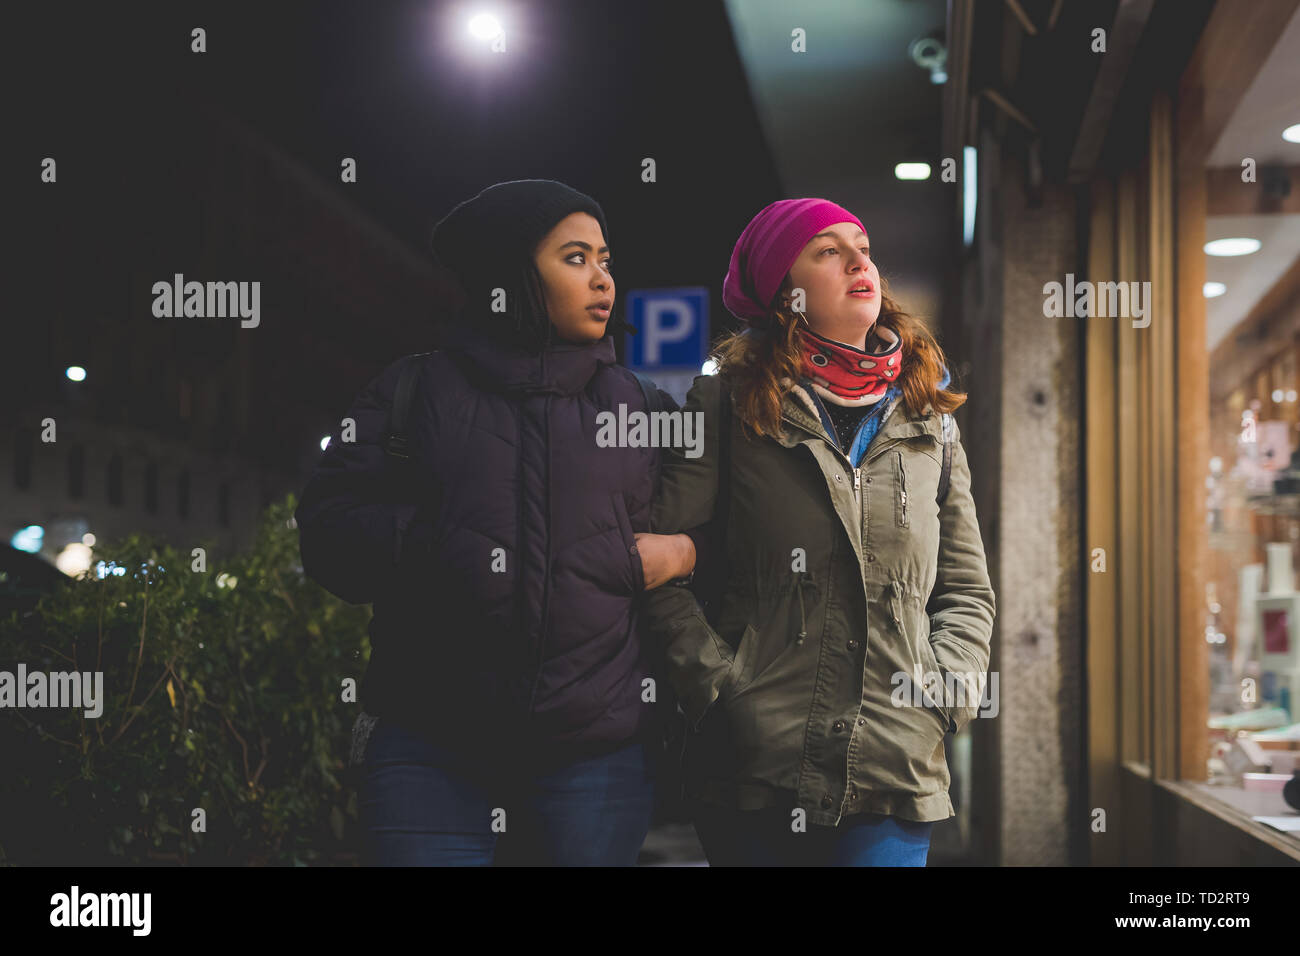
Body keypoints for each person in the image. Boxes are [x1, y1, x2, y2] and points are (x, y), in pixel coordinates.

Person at [294, 180, 705, 866]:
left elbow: (728, 528)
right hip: (430, 749)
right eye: (576, 258)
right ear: (508, 276)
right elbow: (328, 533)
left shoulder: (642, 405)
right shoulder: (410, 392)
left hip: (595, 760)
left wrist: (682, 552)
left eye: (605, 258)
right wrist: (439, 545)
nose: (604, 278)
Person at [640, 197, 997, 866]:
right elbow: (659, 572)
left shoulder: (929, 423)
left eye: (862, 246)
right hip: (754, 765)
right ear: (784, 294)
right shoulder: (725, 405)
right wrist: (719, 692)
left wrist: (944, 697)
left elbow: (966, 589)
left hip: (894, 766)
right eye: (828, 251)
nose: (860, 262)